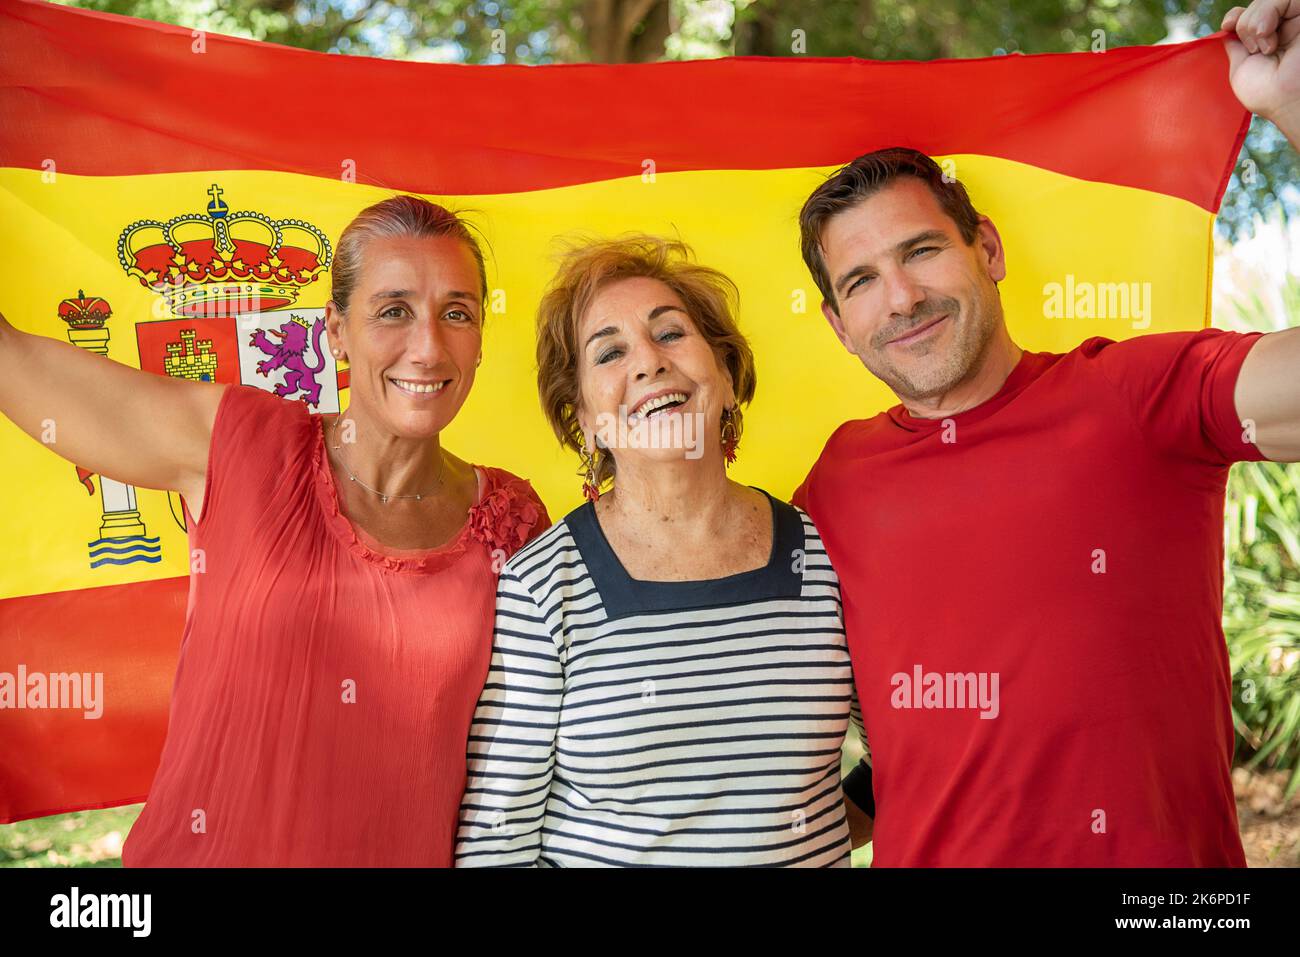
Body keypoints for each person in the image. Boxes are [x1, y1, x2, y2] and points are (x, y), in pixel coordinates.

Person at [791, 2, 1300, 867]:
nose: (903, 298)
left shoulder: (1137, 394)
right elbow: (896, 762)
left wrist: (1292, 106)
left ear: (985, 247)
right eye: (864, 281)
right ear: (840, 325)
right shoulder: (833, 484)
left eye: (921, 251)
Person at [0, 195, 550, 866]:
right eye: (394, 311)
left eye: (456, 313)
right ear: (336, 330)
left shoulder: (515, 521)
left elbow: (525, 765)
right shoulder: (242, 447)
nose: (428, 345)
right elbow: (12, 363)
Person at [454, 236, 867, 867]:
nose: (647, 363)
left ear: (727, 378)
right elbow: (496, 843)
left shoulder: (823, 550)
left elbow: (910, 754)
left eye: (670, 333)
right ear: (585, 419)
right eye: (611, 352)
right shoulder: (544, 584)